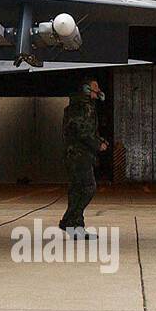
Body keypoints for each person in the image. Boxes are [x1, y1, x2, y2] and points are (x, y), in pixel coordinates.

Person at [61, 78, 108, 237]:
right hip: (80, 154)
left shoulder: (74, 107)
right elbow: (83, 133)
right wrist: (97, 144)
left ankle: (75, 227)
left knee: (76, 190)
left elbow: (80, 130)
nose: (99, 90)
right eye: (95, 87)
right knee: (88, 187)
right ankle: (70, 220)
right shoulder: (85, 108)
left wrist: (99, 140)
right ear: (86, 89)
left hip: (74, 153)